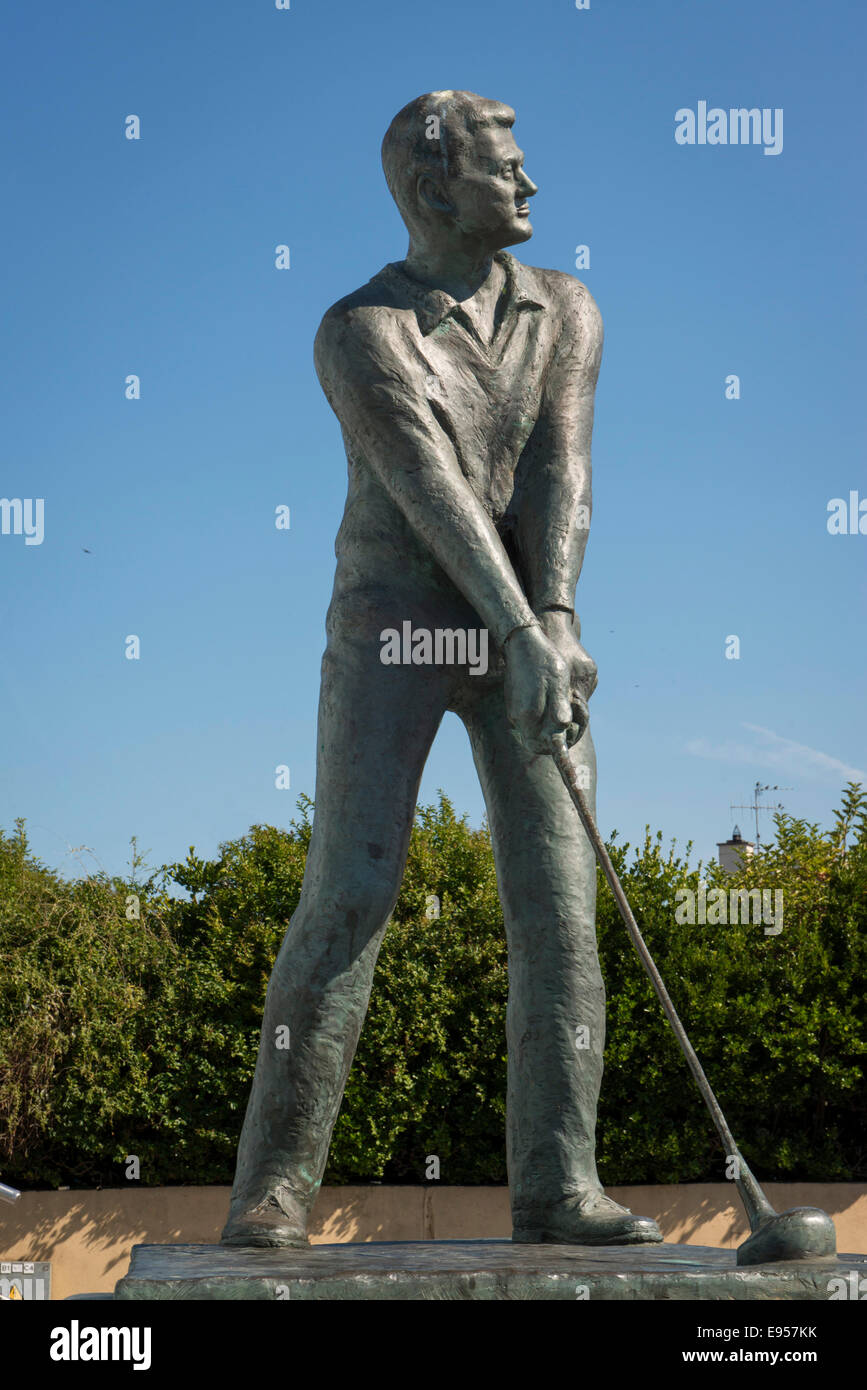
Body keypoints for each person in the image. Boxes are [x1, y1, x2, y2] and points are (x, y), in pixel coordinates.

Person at [222, 90, 662, 1248]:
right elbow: (434, 493)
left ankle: (560, 1185)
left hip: (528, 624)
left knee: (564, 909)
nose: (530, 184)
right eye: (505, 166)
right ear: (432, 189)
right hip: (396, 624)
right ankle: (272, 1190)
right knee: (352, 891)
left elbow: (563, 466)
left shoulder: (567, 308)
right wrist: (518, 630)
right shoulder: (361, 328)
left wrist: (554, 619)